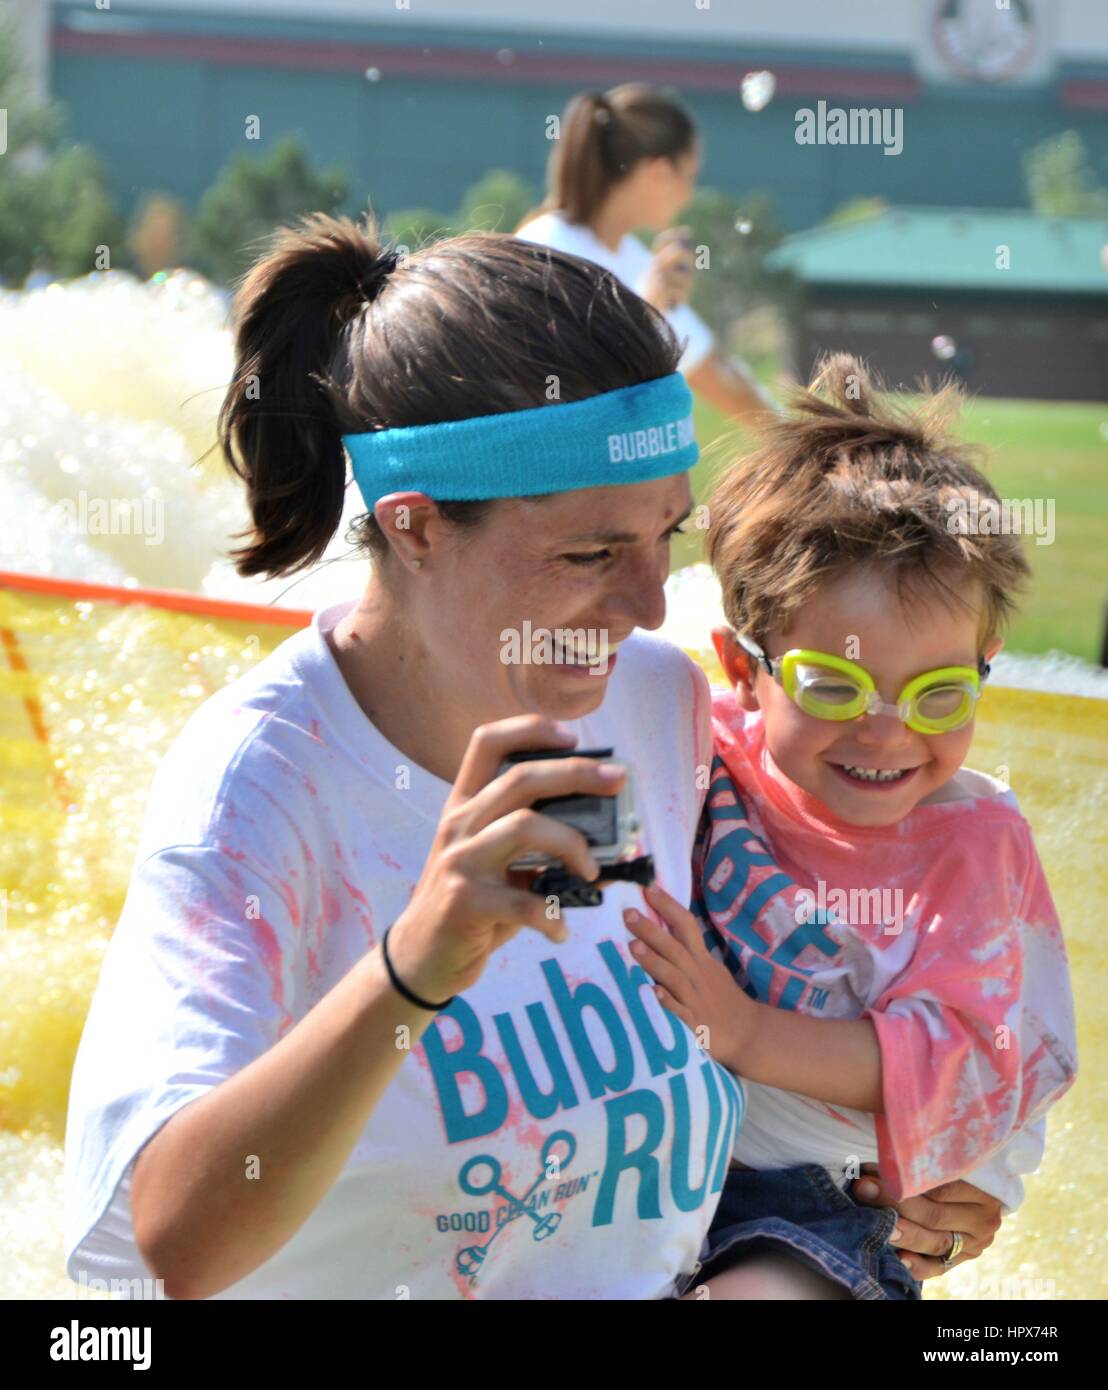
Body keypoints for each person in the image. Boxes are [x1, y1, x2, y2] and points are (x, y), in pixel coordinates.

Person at [627, 355, 1079, 1299]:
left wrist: (743, 1031)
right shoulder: (689, 741)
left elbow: (960, 1051)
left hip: (823, 1206)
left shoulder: (971, 844)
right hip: (640, 1169)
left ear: (986, 668)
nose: (887, 730)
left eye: (939, 694)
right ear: (742, 666)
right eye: (833, 686)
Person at [516, 85, 773, 427]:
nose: (690, 195)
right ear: (660, 172)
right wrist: (645, 316)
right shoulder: (546, 249)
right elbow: (557, 395)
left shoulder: (635, 261)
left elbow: (719, 374)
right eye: (691, 176)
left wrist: (810, 445)